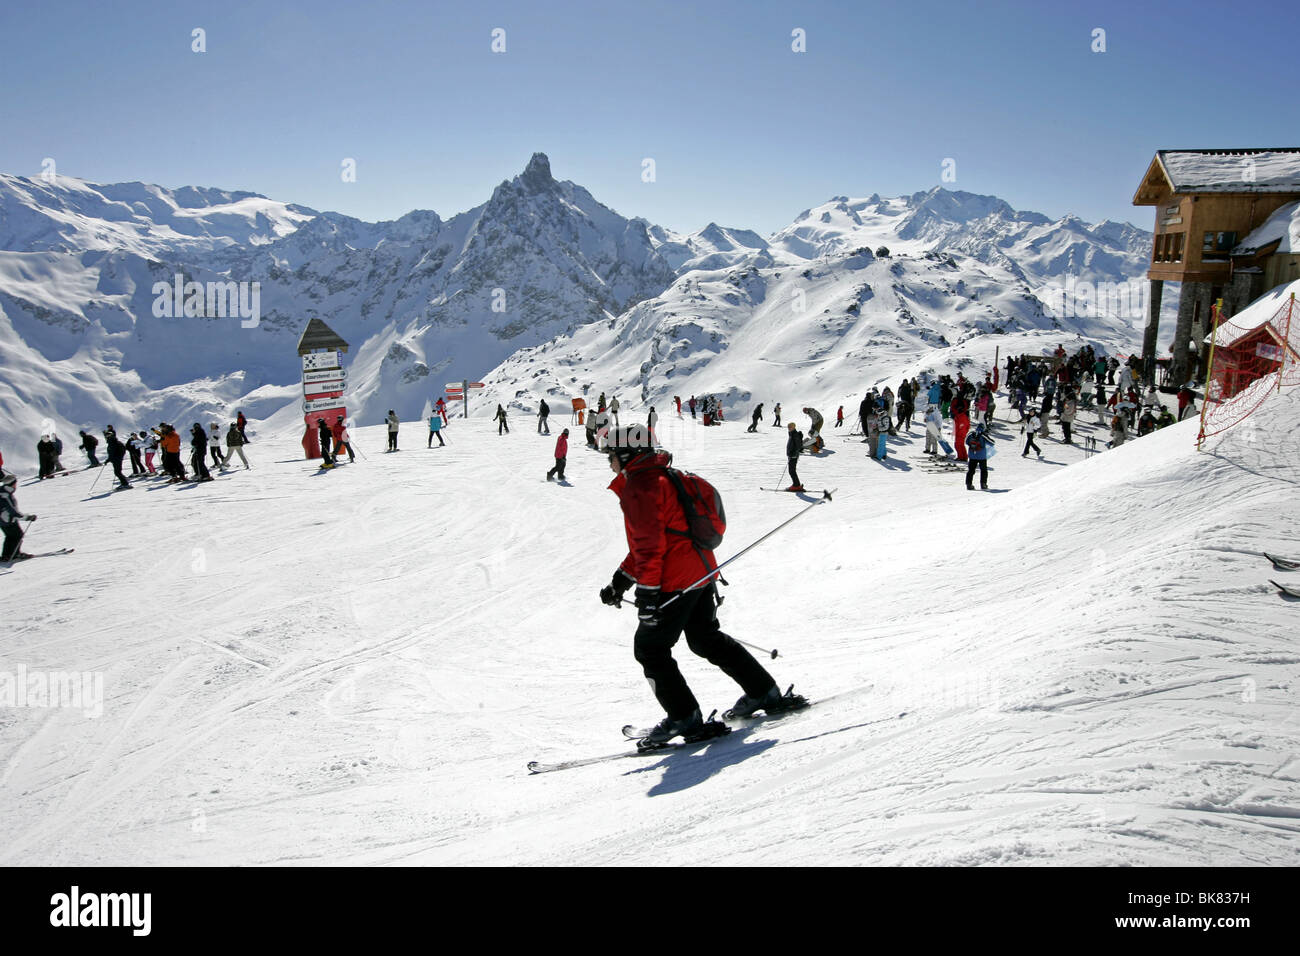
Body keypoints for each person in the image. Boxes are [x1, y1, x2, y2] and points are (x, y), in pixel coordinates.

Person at [598, 425, 805, 746]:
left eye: (610, 456)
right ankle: (763, 691)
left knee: (650, 649)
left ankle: (683, 717)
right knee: (705, 639)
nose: (609, 463)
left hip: (674, 580)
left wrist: (648, 595)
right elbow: (653, 541)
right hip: (700, 573)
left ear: (627, 454)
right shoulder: (667, 476)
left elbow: (650, 548)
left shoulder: (641, 486)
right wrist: (620, 581)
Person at [1, 471, 36, 562]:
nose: (16, 486)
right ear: (12, 484)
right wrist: (28, 517)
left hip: (3, 520)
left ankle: (6, 555)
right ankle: (15, 554)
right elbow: (13, 512)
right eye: (15, 483)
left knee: (10, 536)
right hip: (7, 520)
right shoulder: (5, 495)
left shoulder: (3, 491)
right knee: (17, 535)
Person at [965, 423, 993, 491]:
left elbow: (966, 441)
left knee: (971, 470)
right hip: (981, 456)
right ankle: (983, 484)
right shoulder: (983, 435)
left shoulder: (971, 433)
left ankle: (969, 484)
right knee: (983, 470)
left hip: (972, 455)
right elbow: (992, 443)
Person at [785, 421, 804, 492]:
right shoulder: (791, 434)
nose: (789, 428)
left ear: (794, 427)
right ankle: (797, 485)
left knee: (792, 471)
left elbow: (798, 446)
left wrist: (793, 453)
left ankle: (796, 485)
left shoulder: (794, 435)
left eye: (790, 427)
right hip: (791, 455)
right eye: (788, 427)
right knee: (792, 471)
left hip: (793, 456)